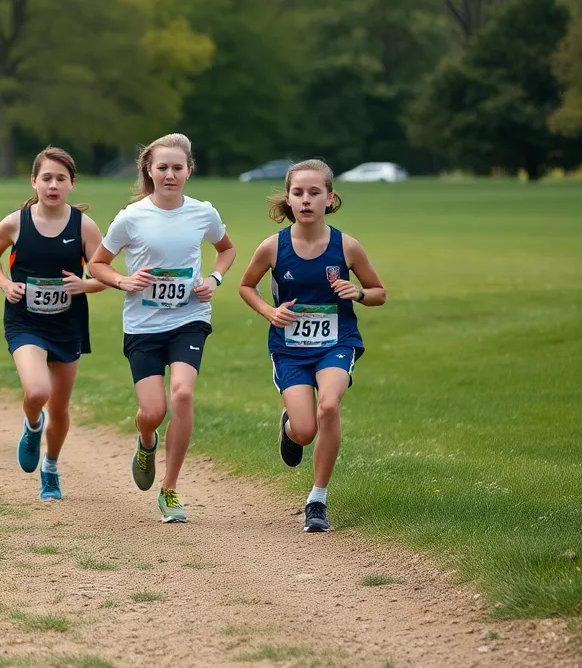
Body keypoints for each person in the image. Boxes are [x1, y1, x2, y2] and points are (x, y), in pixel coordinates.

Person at [88, 134, 236, 524]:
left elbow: (227, 249)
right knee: (153, 411)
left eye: (177, 168)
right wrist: (124, 281)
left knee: (183, 395)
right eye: (162, 168)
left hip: (189, 317)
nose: (170, 175)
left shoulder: (203, 213)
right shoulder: (131, 217)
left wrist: (215, 280)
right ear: (149, 172)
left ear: (189, 171)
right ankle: (146, 440)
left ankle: (169, 490)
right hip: (143, 324)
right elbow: (97, 265)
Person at [237, 159, 386, 533]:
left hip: (337, 341)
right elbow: (245, 286)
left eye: (314, 193)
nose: (306, 200)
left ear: (329, 198)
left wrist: (360, 292)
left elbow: (379, 293)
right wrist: (270, 312)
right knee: (305, 430)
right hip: (289, 349)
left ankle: (316, 500)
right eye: (298, 193)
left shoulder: (347, 247)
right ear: (288, 199)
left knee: (330, 406)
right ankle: (290, 428)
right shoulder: (272, 248)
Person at [0, 147, 106, 500]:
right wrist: (5, 283)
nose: (53, 185)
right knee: (37, 392)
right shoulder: (15, 222)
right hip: (25, 321)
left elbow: (103, 273)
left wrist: (86, 284)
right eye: (47, 178)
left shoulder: (84, 226)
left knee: (61, 406)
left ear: (71, 184)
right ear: (34, 181)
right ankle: (32, 425)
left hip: (68, 325)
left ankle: (50, 467)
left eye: (61, 179)